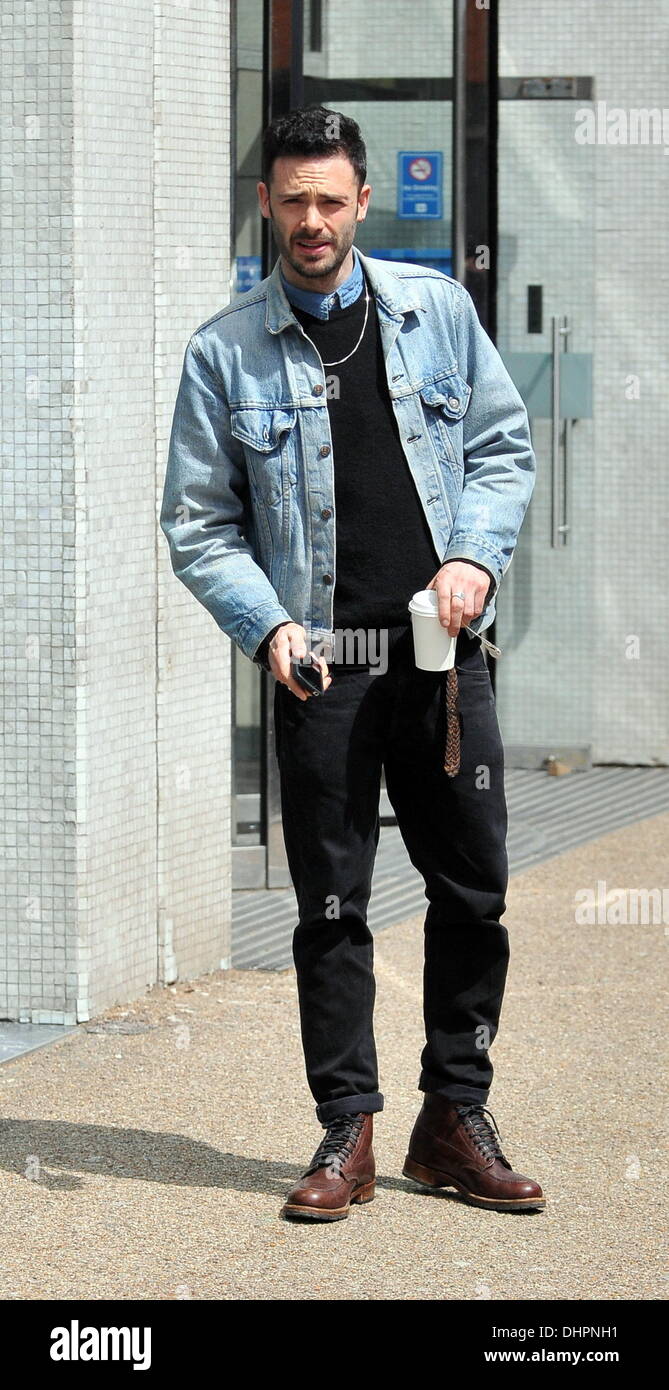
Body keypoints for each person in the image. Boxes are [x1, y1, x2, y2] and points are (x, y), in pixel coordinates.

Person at [160, 105, 544, 1221]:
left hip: (444, 658)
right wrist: (267, 625)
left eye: (331, 199)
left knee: (474, 892)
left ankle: (452, 1118)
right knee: (331, 909)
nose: (313, 220)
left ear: (363, 201)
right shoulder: (224, 350)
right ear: (268, 205)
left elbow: (500, 448)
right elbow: (198, 520)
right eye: (292, 201)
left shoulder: (437, 312)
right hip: (322, 667)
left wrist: (473, 556)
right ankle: (351, 1130)